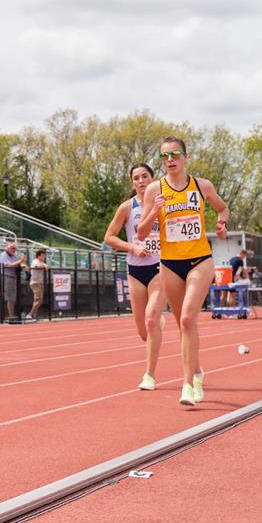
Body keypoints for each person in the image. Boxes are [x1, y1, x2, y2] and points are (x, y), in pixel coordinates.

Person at [136, 136, 228, 408]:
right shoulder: (155, 189)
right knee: (182, 324)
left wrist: (222, 223)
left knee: (188, 318)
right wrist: (154, 211)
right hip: (170, 264)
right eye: (164, 156)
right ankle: (198, 372)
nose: (170, 160)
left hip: (200, 260)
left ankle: (187, 384)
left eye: (175, 155)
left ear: (186, 157)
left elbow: (222, 208)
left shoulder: (202, 186)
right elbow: (141, 232)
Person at [104, 163, 167, 388]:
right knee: (143, 331)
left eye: (145, 176)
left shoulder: (165, 202)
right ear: (133, 182)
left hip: (161, 266)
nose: (141, 181)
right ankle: (156, 321)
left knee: (150, 320)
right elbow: (109, 237)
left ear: (153, 178)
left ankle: (149, 375)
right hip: (135, 270)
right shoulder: (126, 208)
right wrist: (133, 247)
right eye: (136, 178)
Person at [0, 240, 24, 325]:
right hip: (5, 276)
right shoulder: (3, 255)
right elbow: (9, 265)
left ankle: (9, 315)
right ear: (7, 248)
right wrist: (21, 261)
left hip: (11, 277)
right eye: (12, 248)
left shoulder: (14, 255)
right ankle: (1, 315)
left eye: (15, 249)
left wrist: (23, 265)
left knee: (10, 297)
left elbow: (16, 264)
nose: (14, 250)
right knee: (3, 296)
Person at [28, 245, 50, 324]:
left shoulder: (41, 262)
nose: (44, 257)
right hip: (35, 283)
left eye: (44, 256)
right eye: (43, 256)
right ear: (39, 255)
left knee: (37, 300)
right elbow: (38, 266)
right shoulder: (35, 261)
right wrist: (43, 265)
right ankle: (30, 314)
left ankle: (34, 315)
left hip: (40, 283)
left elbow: (47, 267)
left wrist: (44, 265)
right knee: (39, 300)